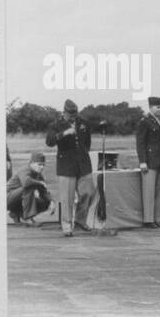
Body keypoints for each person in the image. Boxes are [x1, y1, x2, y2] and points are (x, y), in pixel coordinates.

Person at [45, 99, 95, 237]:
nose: (73, 117)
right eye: (70, 114)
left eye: (75, 114)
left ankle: (80, 220)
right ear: (64, 112)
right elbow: (49, 142)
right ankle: (67, 226)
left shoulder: (83, 123)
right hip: (66, 165)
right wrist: (63, 134)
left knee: (89, 192)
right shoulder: (56, 125)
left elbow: (87, 143)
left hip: (83, 163)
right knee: (67, 197)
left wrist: (82, 154)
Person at [135, 96, 160, 229]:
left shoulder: (159, 122)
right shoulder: (145, 121)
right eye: (157, 107)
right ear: (150, 107)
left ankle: (159, 218)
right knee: (148, 192)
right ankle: (148, 220)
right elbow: (140, 143)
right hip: (149, 161)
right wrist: (142, 161)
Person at [6, 151, 51, 225]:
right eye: (39, 164)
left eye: (43, 165)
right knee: (28, 187)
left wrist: (51, 201)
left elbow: (44, 192)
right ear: (32, 163)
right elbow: (26, 182)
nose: (42, 167)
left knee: (45, 202)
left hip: (16, 199)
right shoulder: (25, 170)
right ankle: (28, 218)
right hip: (7, 199)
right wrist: (39, 182)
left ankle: (16, 213)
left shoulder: (39, 175)